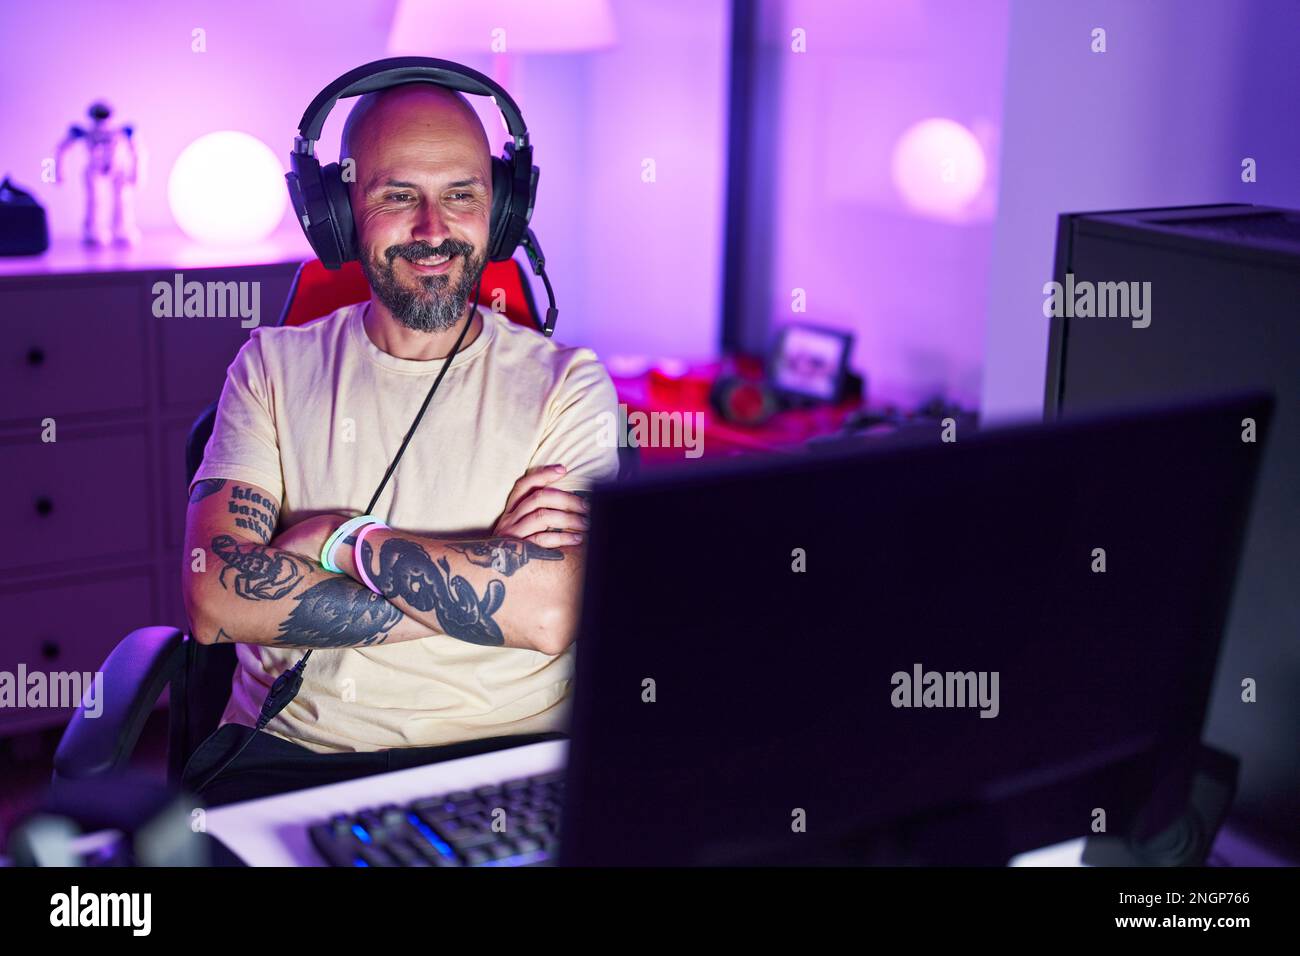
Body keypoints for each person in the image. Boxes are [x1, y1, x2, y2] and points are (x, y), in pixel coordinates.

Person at [179, 82, 618, 805]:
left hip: (509, 766)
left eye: (462, 195)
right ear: (339, 217)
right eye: (396, 196)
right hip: (296, 760)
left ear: (503, 211)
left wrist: (337, 538)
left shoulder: (567, 385)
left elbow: (551, 612)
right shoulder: (270, 368)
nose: (431, 227)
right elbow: (217, 600)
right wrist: (483, 579)